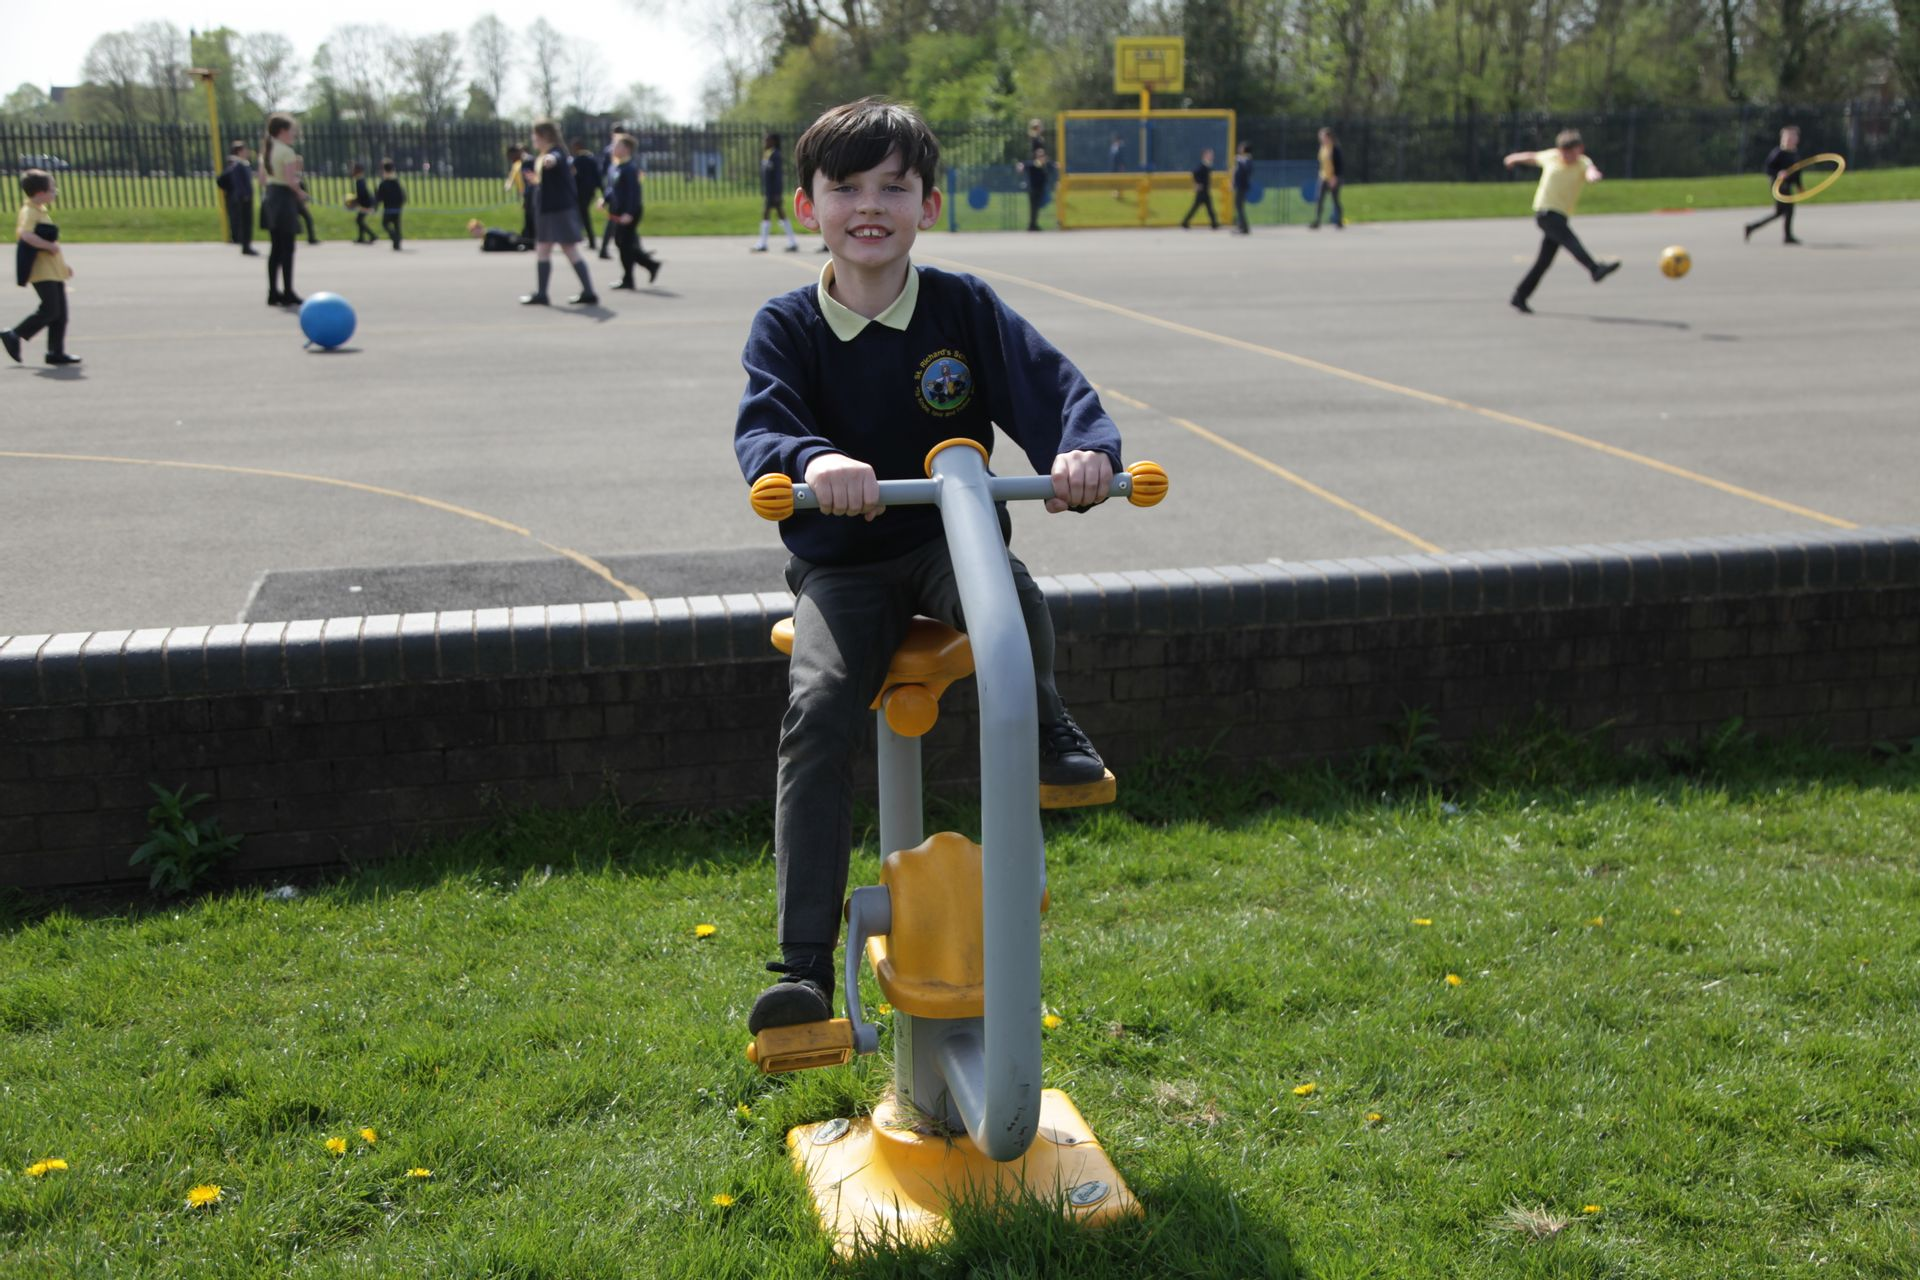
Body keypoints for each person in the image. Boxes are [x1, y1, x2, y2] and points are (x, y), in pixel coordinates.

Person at [733, 97, 1118, 1034]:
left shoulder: (961, 308)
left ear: (928, 206)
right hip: (844, 567)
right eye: (847, 188)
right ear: (806, 205)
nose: (870, 205)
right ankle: (802, 967)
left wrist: (1083, 453)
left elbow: (1052, 385)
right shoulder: (788, 324)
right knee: (817, 711)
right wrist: (812, 463)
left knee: (1006, 598)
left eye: (893, 187)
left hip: (948, 540)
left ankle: (1050, 729)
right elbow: (766, 424)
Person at [1504, 129, 1621, 314]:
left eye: (1570, 152)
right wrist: (1513, 158)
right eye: (1563, 152)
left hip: (1561, 215)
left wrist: (1593, 176)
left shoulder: (1583, 163)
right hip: (1546, 213)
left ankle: (1520, 296)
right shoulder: (1551, 157)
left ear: (1580, 149)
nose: (1565, 156)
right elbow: (1532, 157)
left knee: (1543, 262)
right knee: (1570, 240)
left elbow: (1590, 170)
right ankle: (1594, 269)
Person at [3, 169, 80, 367]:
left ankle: (55, 352)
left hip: (53, 271)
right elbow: (26, 235)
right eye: (52, 188)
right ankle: (14, 334)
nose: (55, 192)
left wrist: (64, 267)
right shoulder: (29, 212)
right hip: (41, 272)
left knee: (60, 314)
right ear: (39, 192)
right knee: (50, 310)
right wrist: (49, 246)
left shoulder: (41, 211)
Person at [520, 119, 597, 307]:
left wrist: (549, 161)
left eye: (535, 135)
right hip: (551, 210)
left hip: (557, 212)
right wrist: (536, 181)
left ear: (544, 136)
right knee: (545, 249)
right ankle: (544, 293)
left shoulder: (555, 153)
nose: (533, 139)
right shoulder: (546, 154)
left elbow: (555, 160)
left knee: (567, 249)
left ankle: (586, 292)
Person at [259, 113, 308, 307]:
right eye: (291, 131)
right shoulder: (287, 152)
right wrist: (301, 193)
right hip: (284, 200)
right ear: (282, 131)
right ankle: (288, 291)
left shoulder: (267, 151)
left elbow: (262, 180)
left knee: (275, 249)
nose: (293, 135)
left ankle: (273, 292)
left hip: (271, 197)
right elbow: (290, 180)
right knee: (288, 249)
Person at [603, 132, 661, 287]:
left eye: (617, 145)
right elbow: (611, 189)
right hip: (617, 211)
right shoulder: (615, 166)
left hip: (629, 212)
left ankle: (632, 276)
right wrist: (605, 200)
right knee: (622, 243)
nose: (613, 148)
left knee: (624, 244)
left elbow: (633, 194)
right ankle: (647, 266)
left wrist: (629, 212)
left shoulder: (630, 168)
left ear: (627, 149)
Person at [1745, 124, 1804, 245]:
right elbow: (1767, 168)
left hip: (1788, 185)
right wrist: (1778, 173)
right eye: (1787, 137)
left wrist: (1799, 186)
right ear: (1782, 139)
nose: (1790, 140)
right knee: (1787, 211)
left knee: (1781, 212)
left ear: (1797, 139)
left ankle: (1752, 227)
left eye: (1793, 137)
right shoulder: (1778, 153)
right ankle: (1787, 236)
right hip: (1778, 186)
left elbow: (1797, 172)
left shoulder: (1795, 154)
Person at [752, 131, 800, 252]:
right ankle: (792, 242)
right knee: (780, 214)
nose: (765, 142)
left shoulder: (776, 155)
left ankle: (763, 243)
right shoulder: (767, 154)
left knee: (766, 214)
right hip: (769, 191)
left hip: (774, 192)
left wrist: (777, 193)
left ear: (773, 141)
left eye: (767, 140)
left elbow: (778, 176)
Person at [218, 141, 257, 256]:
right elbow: (237, 182)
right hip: (241, 197)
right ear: (239, 151)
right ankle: (243, 243)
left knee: (245, 221)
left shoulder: (241, 163)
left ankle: (245, 242)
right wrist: (243, 194)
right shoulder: (236, 164)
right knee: (243, 221)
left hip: (241, 196)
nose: (247, 152)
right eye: (245, 150)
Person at [570, 138, 602, 251]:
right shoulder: (591, 159)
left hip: (580, 192)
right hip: (590, 191)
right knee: (583, 215)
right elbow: (598, 176)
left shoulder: (577, 161)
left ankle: (590, 240)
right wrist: (601, 190)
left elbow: (575, 178)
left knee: (583, 216)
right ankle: (588, 238)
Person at [1310, 127, 1344, 229]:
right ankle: (1317, 221)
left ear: (1329, 137)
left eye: (1322, 136)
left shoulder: (1335, 148)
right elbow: (1322, 163)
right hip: (1323, 177)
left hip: (1334, 178)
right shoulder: (1322, 148)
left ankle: (1339, 221)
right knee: (1319, 199)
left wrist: (1335, 178)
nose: (1320, 137)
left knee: (1335, 200)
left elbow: (1340, 165)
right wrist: (1320, 175)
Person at [1180, 147, 1218, 229]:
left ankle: (1214, 223)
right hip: (1202, 191)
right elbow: (1195, 173)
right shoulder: (1202, 165)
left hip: (1205, 190)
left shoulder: (1207, 165)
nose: (1211, 156)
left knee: (1208, 208)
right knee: (1198, 207)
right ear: (1204, 155)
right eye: (1209, 155)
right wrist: (1197, 184)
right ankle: (1185, 222)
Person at [504, 145, 535, 241]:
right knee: (529, 216)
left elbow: (530, 180)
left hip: (532, 193)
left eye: (511, 156)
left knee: (530, 216)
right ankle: (530, 236)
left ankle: (531, 236)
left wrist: (527, 196)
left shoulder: (527, 161)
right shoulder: (521, 162)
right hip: (529, 193)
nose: (510, 159)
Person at [374, 160, 406, 251]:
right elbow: (402, 196)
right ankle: (397, 243)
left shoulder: (383, 183)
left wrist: (375, 207)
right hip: (397, 208)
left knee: (385, 224)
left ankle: (395, 237)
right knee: (397, 226)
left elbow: (379, 197)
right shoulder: (396, 182)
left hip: (388, 208)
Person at [349, 163, 377, 244]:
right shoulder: (360, 180)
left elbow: (362, 195)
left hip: (366, 204)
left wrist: (355, 202)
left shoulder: (360, 181)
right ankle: (361, 237)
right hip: (364, 203)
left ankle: (372, 235)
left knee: (359, 220)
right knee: (359, 220)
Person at [1024, 145, 1051, 231]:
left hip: (1040, 189)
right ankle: (1032, 225)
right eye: (1040, 156)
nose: (1042, 157)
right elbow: (1028, 165)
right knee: (1033, 208)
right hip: (1033, 189)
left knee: (1036, 208)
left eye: (1042, 155)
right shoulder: (1034, 164)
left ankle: (1034, 224)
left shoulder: (1044, 165)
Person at [468, 218, 532, 251]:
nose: (474, 233)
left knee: (531, 243)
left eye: (475, 229)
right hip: (512, 246)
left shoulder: (490, 233)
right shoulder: (484, 243)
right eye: (472, 231)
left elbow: (505, 235)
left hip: (513, 240)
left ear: (480, 227)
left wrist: (516, 241)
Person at [1231, 140, 1253, 234]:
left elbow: (1246, 171)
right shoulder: (1241, 159)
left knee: (1239, 206)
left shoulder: (1247, 159)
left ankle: (1244, 227)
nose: (1239, 148)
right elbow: (1237, 173)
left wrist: (1240, 161)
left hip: (1242, 186)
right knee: (1238, 206)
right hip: (1239, 186)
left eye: (1241, 147)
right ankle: (1241, 226)